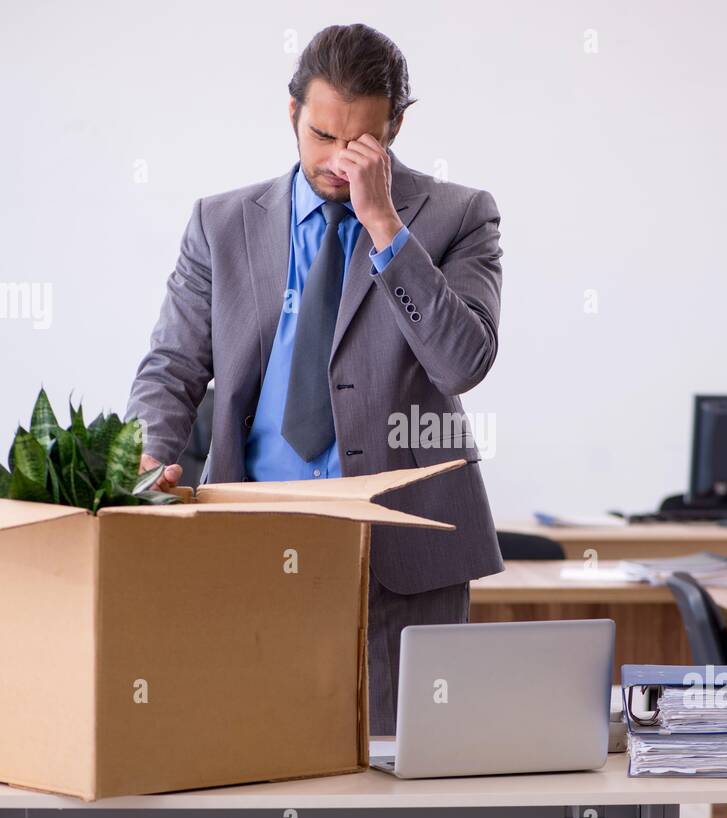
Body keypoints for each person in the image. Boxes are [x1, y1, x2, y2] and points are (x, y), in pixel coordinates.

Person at [125, 23, 504, 734]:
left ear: (396, 126)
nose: (338, 161)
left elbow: (463, 361)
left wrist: (386, 225)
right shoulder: (221, 222)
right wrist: (148, 457)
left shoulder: (459, 216)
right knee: (254, 752)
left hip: (403, 546)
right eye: (322, 136)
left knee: (397, 774)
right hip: (253, 537)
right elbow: (173, 363)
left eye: (361, 143)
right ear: (292, 112)